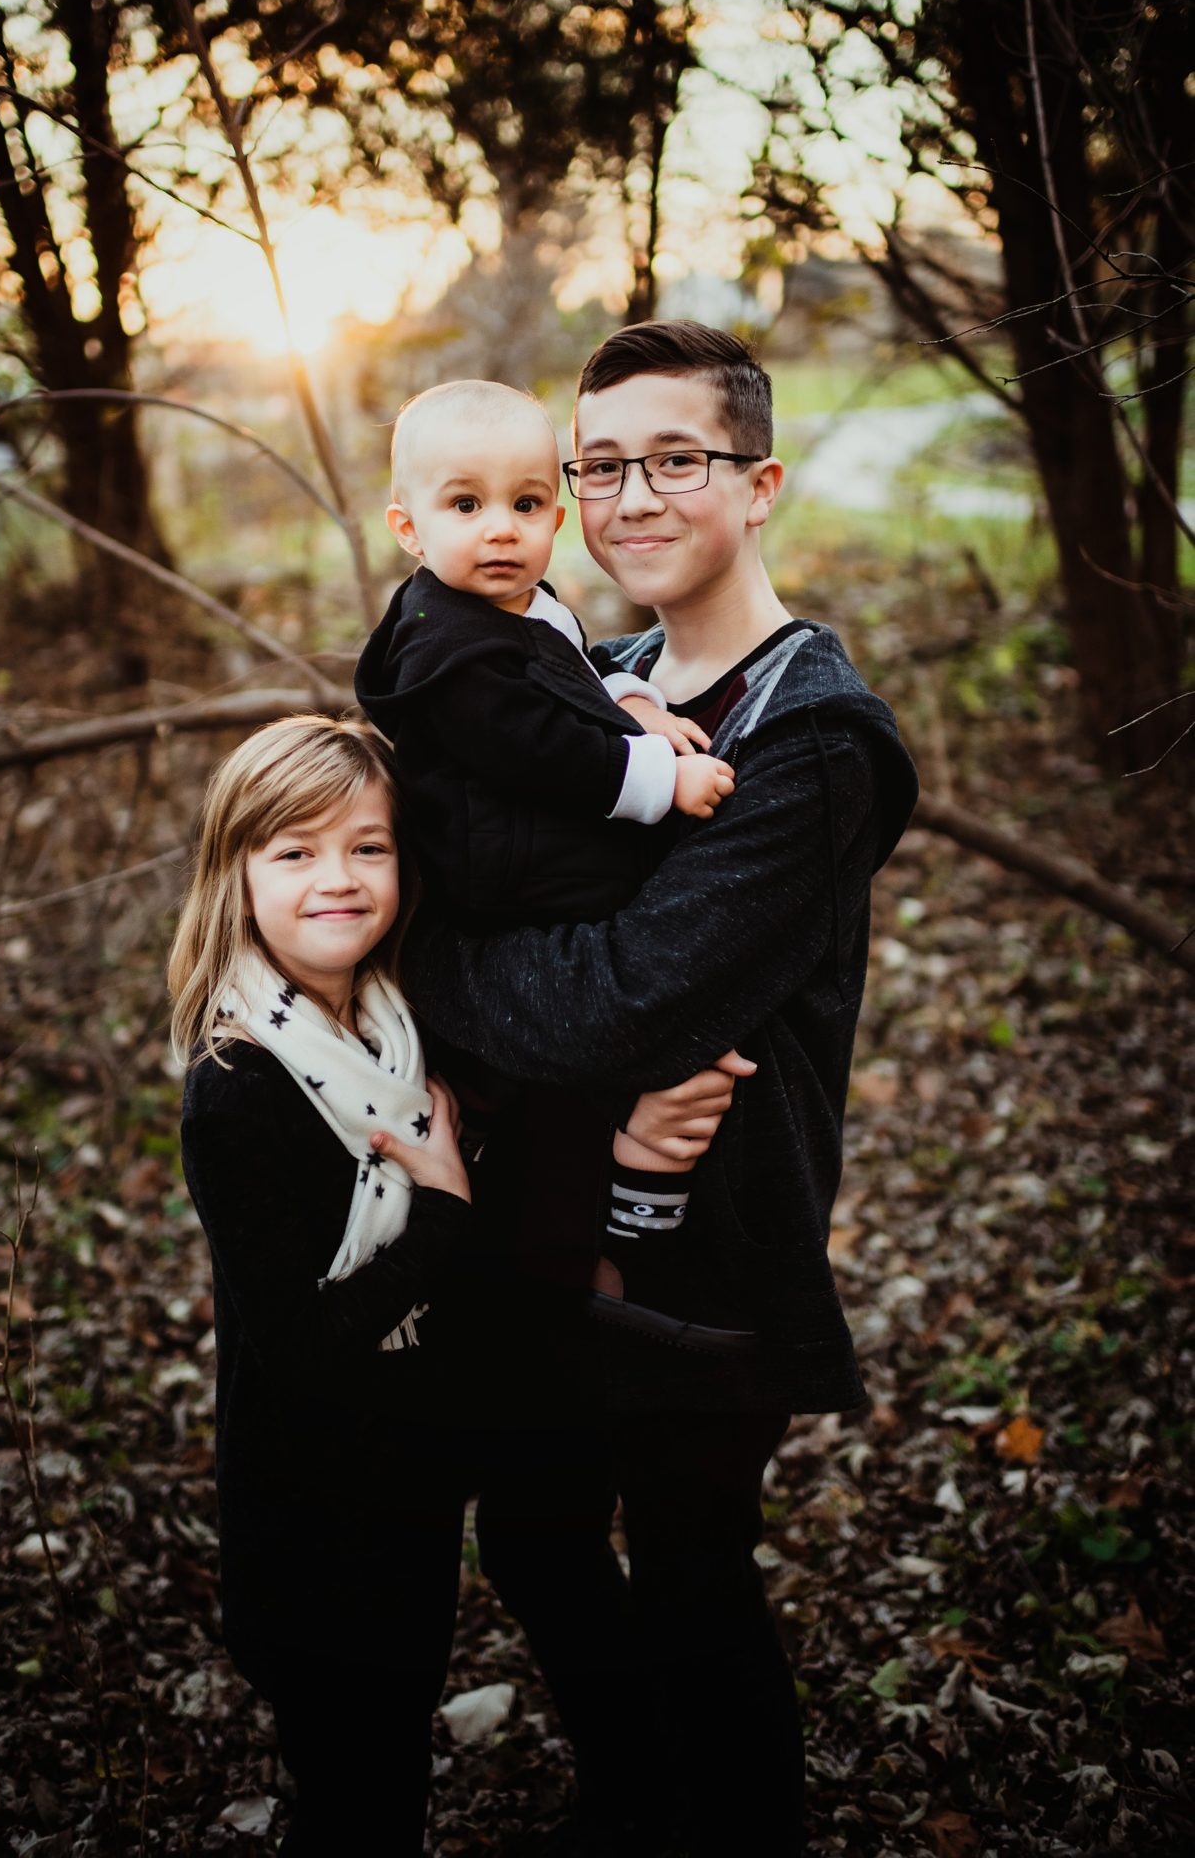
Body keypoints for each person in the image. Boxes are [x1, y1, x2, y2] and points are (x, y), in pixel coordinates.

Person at [400, 321, 921, 1856]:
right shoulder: (592, 671)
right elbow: (451, 874)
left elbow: (622, 995)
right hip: (555, 1214)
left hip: (710, 1251)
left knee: (690, 1568)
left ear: (755, 484)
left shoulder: (811, 736)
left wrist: (413, 975)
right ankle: (634, 1799)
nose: (628, 495)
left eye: (672, 460)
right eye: (598, 465)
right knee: (542, 1537)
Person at [355, 377, 744, 1304]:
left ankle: (625, 1186)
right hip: (508, 884)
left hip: (532, 858)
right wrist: (660, 778)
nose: (500, 528)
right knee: (562, 1090)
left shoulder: (517, 602)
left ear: (557, 515)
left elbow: (563, 671)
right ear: (408, 528)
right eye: (466, 505)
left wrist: (629, 696)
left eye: (525, 505)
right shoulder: (449, 650)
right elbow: (545, 752)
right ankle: (601, 1230)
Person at [167, 716, 476, 1857]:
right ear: (235, 876)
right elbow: (297, 1346)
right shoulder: (238, 1084)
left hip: (407, 1490)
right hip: (307, 1523)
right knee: (354, 1798)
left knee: (393, 1767)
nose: (336, 878)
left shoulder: (394, 1021)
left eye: (366, 847)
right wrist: (440, 1215)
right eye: (292, 852)